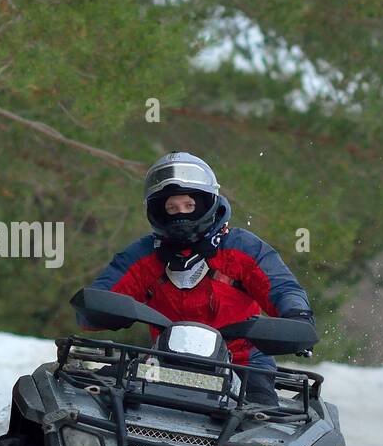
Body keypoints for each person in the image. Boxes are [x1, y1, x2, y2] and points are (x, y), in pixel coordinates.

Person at [78, 151, 314, 405]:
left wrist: (296, 317)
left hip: (243, 366)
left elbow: (282, 287)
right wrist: (101, 310)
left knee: (262, 422)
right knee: (90, 398)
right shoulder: (142, 255)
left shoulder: (242, 248)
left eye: (189, 206)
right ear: (158, 212)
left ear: (207, 203)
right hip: (161, 362)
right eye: (172, 208)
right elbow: (100, 296)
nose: (181, 215)